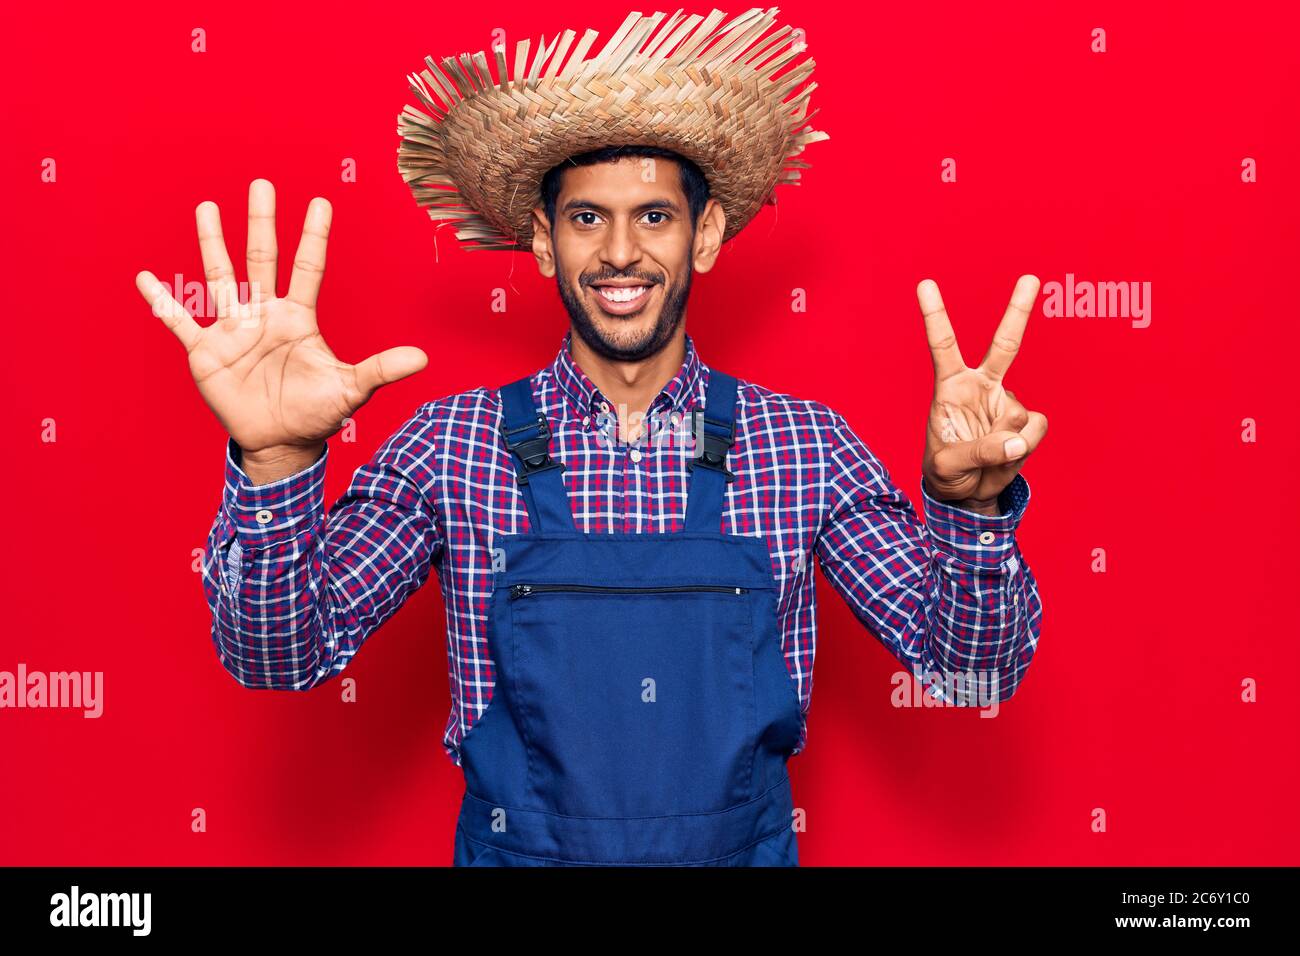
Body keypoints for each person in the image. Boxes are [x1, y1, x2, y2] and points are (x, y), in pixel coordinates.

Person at [132, 8, 1047, 867]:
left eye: (654, 215)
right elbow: (279, 658)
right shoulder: (452, 446)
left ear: (707, 234)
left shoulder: (803, 445)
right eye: (585, 218)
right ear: (542, 241)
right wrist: (280, 464)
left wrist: (970, 509)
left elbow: (973, 670)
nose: (618, 252)